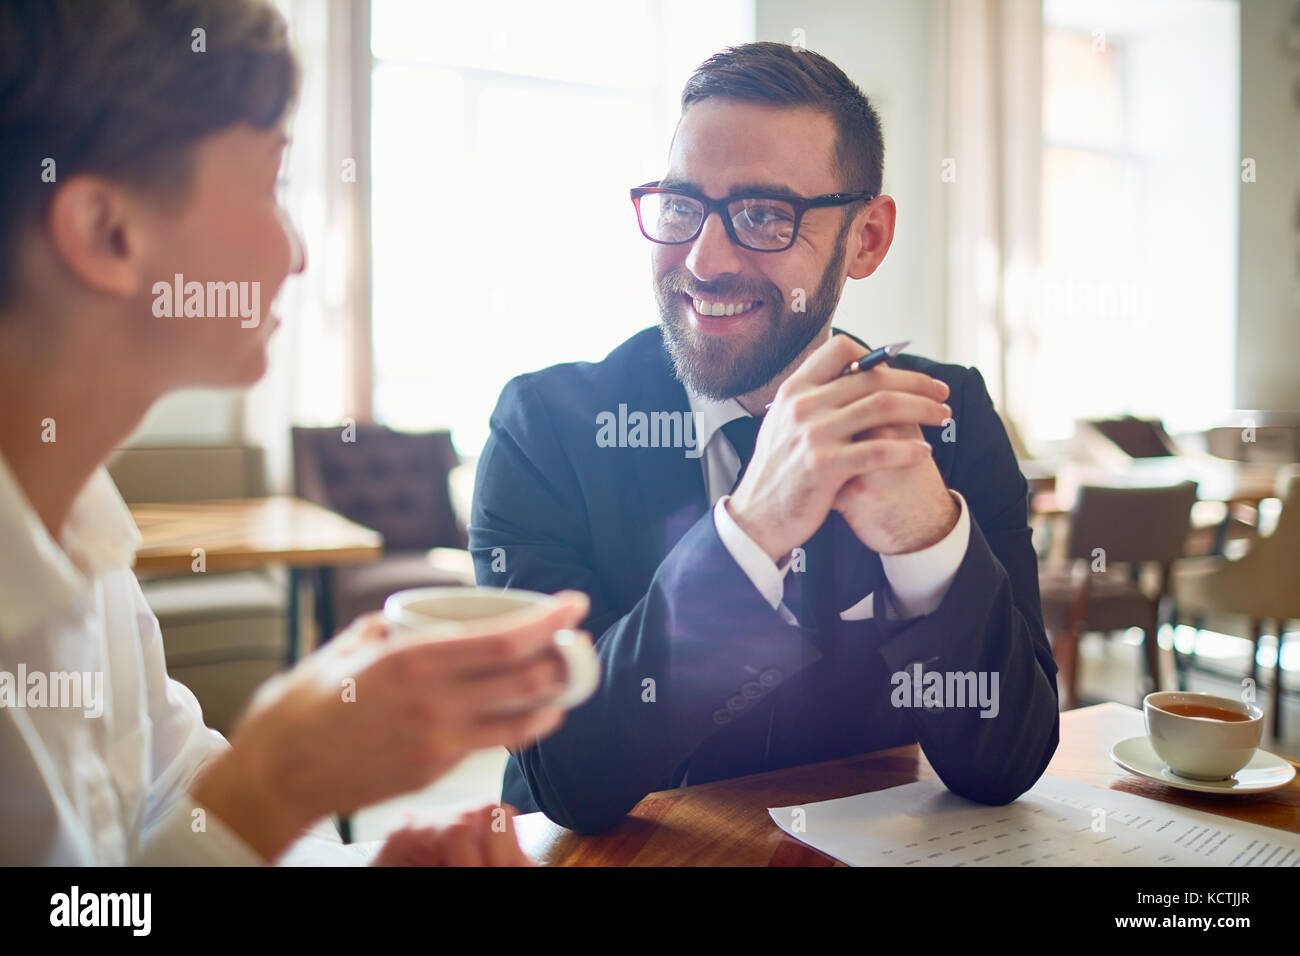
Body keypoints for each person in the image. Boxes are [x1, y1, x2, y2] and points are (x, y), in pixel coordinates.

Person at [0, 0, 587, 865]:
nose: (299, 254)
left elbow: (167, 805)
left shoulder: (77, 520)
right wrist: (277, 781)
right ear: (106, 230)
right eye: (274, 183)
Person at [471, 41, 1060, 834]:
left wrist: (928, 541)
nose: (704, 261)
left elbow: (1007, 762)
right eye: (681, 206)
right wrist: (750, 533)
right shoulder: (543, 431)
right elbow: (568, 779)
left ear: (868, 238)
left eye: (762, 215)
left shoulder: (944, 418)